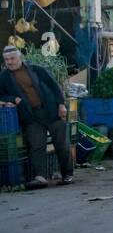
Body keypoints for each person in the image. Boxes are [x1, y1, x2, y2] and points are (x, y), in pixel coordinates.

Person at [0, 45, 74, 188]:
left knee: (61, 144)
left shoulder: (37, 70)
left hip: (51, 111)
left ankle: (67, 174)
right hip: (31, 116)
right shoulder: (4, 77)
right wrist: (13, 98)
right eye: (7, 60)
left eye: (12, 58)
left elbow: (54, 86)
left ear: (20, 58)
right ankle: (40, 177)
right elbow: (1, 95)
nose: (9, 62)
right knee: (36, 146)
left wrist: (61, 104)